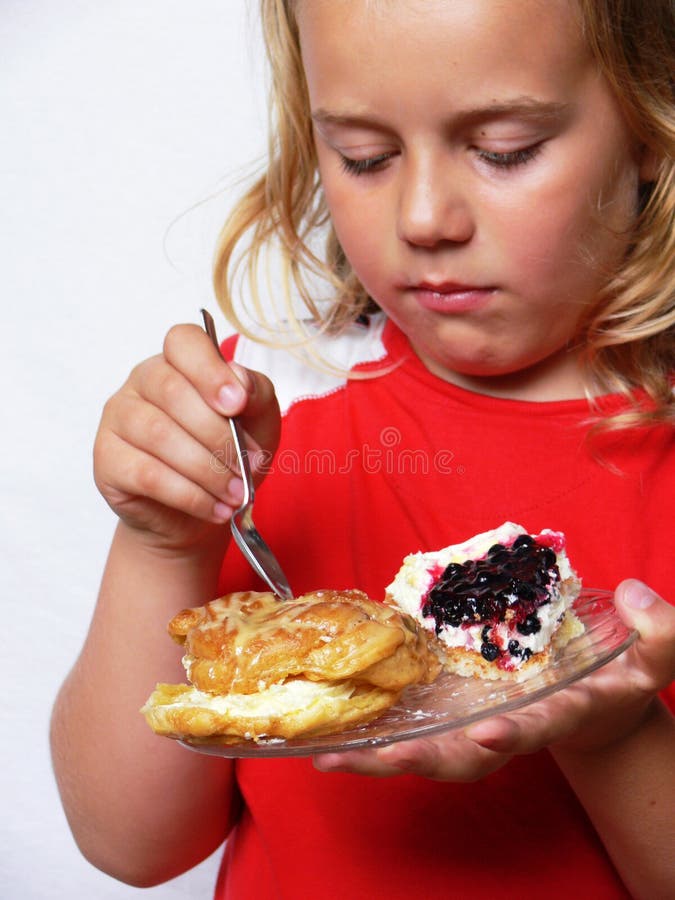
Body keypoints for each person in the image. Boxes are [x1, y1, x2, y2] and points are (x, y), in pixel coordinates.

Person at [50, 1, 675, 898]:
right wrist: (161, 540)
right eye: (365, 158)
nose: (423, 218)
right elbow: (130, 844)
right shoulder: (259, 409)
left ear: (649, 121)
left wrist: (612, 735)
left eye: (502, 148)